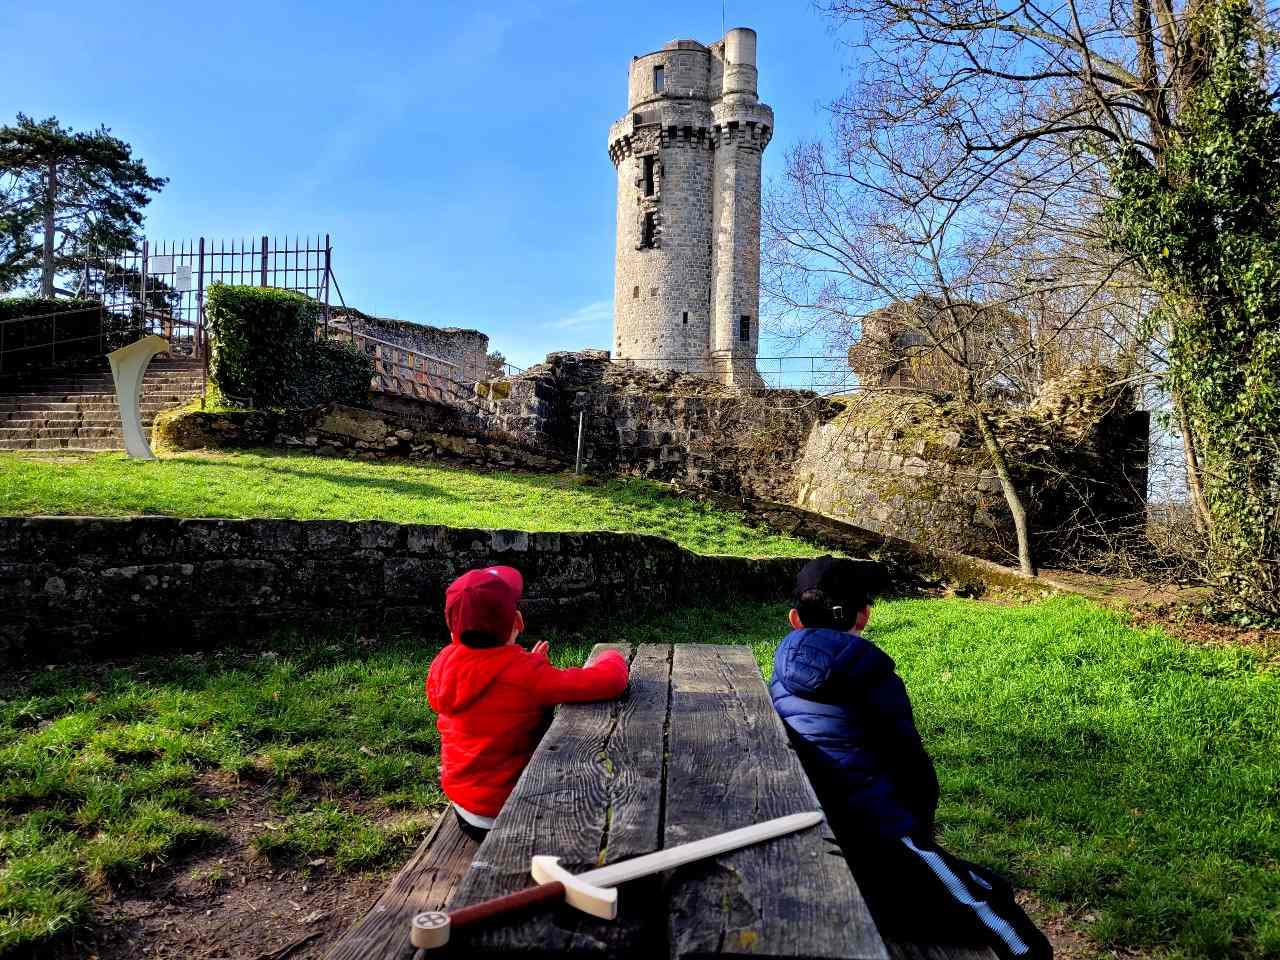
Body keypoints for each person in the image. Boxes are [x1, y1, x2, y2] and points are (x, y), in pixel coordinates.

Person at [769, 556, 1051, 960]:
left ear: (795, 619)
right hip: (876, 834)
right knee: (996, 912)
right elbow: (909, 763)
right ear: (864, 616)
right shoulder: (871, 673)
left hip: (822, 819)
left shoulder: (782, 672)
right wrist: (919, 826)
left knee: (991, 884)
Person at [426, 565, 629, 840]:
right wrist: (612, 656)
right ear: (518, 621)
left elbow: (498, 686)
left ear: (452, 632)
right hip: (510, 811)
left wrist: (531, 667)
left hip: (464, 808)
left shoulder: (444, 665)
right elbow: (611, 681)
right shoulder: (526, 676)